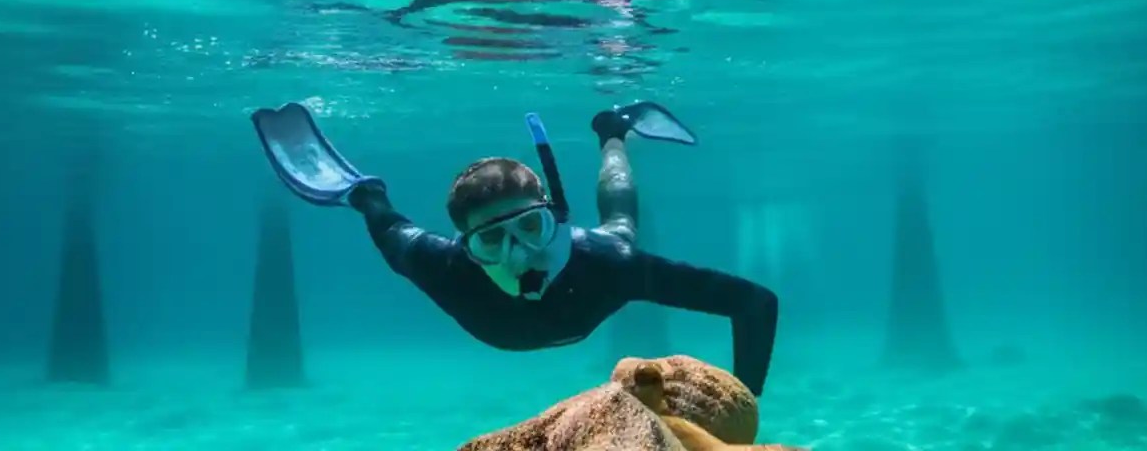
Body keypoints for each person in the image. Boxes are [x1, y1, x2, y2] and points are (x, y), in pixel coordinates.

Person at [252, 100, 780, 396]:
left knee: (619, 226)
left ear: (554, 218)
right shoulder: (444, 268)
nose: (518, 255)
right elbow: (392, 231)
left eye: (530, 229)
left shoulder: (608, 266)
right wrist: (365, 196)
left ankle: (614, 130)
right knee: (373, 207)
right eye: (490, 240)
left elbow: (756, 302)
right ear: (467, 248)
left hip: (599, 253)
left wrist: (745, 410)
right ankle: (361, 188)